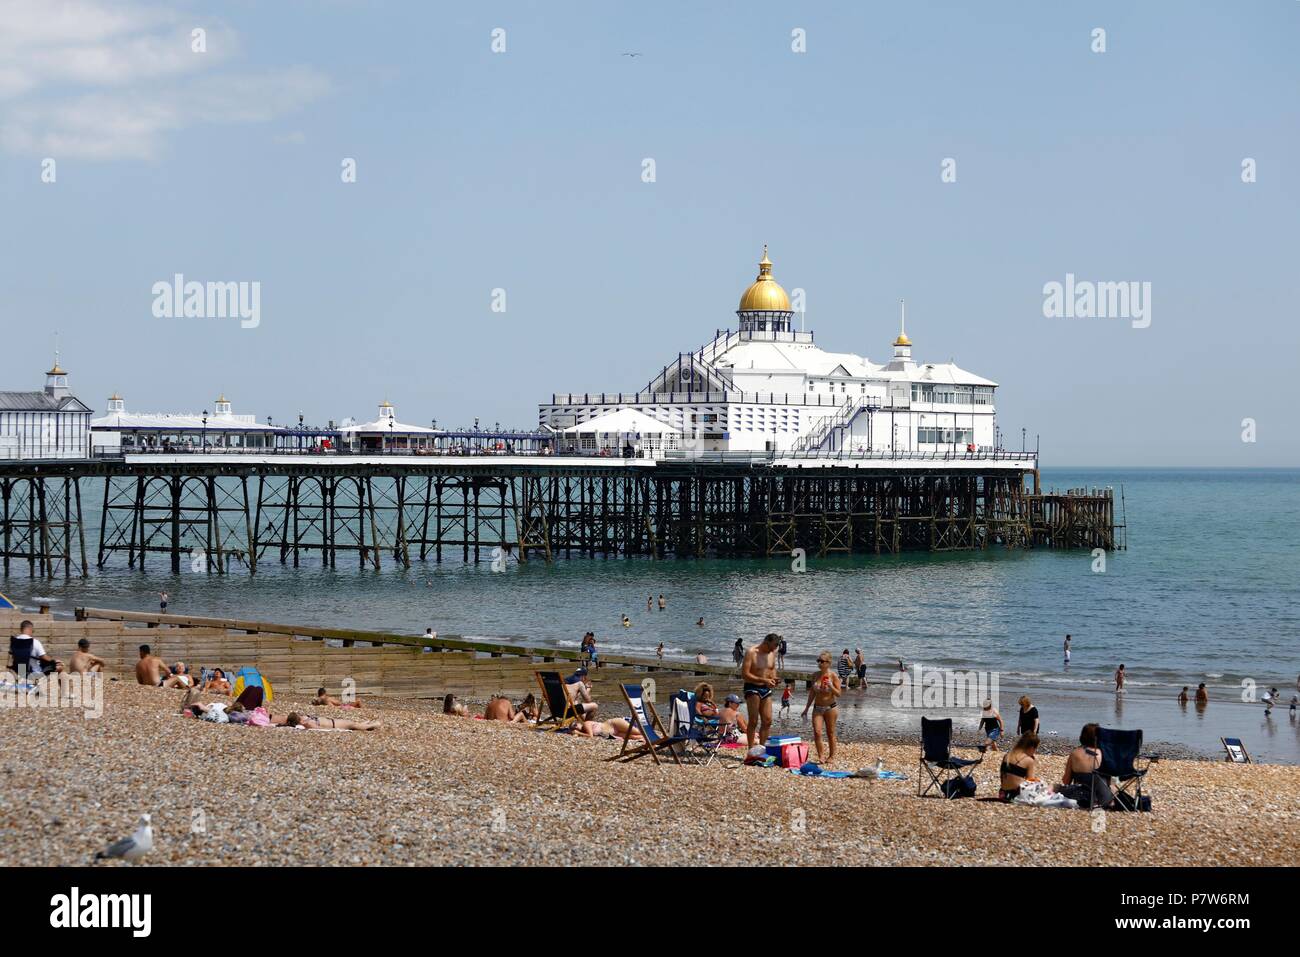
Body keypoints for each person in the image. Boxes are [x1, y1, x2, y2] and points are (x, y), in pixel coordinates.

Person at [740, 633, 781, 748]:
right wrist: (763, 679)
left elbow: (772, 669)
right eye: (771, 647)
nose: (772, 650)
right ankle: (751, 749)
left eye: (775, 648)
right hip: (752, 687)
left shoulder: (772, 653)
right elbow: (745, 674)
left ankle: (762, 748)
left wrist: (774, 679)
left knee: (767, 720)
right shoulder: (751, 652)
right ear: (765, 642)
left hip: (766, 688)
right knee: (753, 720)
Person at [802, 652, 843, 766]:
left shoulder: (833, 676)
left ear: (828, 663)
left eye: (822, 661)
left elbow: (839, 694)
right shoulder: (815, 675)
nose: (819, 663)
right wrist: (806, 709)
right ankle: (821, 755)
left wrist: (831, 686)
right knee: (817, 731)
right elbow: (811, 694)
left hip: (831, 708)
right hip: (817, 708)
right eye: (818, 661)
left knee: (830, 732)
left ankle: (832, 756)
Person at [1060, 722, 1112, 808]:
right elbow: (1110, 782)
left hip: (1079, 797)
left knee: (1055, 787)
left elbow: (1066, 780)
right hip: (1102, 798)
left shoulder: (1075, 753)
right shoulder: (1104, 754)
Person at [999, 732, 1041, 801]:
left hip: (1003, 794)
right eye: (1035, 749)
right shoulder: (1028, 760)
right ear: (1031, 747)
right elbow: (1030, 781)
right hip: (1016, 795)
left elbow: (1002, 777)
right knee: (1041, 784)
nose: (1034, 751)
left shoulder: (1007, 755)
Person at [573, 717, 642, 740]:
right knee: (634, 737)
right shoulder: (585, 731)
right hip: (614, 733)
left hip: (614, 724)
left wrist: (578, 733)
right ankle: (651, 740)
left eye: (575, 724)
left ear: (579, 722)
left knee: (639, 732)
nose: (575, 727)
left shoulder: (586, 724)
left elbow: (590, 736)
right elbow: (590, 735)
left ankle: (651, 734)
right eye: (573, 727)